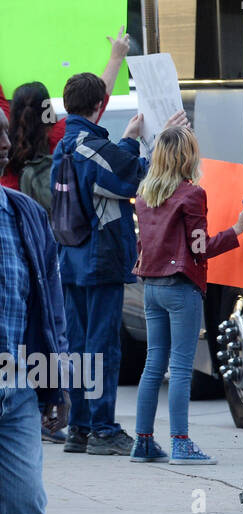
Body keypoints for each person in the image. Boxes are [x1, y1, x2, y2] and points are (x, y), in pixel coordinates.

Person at [50, 71, 186, 457]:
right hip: (98, 257)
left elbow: (109, 168)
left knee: (77, 345)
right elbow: (132, 177)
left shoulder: (66, 143)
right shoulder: (88, 146)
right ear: (99, 106)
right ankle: (103, 429)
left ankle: (79, 427)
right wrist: (161, 140)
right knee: (101, 347)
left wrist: (127, 138)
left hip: (71, 259)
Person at [131, 126, 243, 465]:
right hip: (180, 287)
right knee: (182, 367)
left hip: (151, 287)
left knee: (153, 364)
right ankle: (181, 444)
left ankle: (142, 443)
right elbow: (200, 249)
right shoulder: (191, 194)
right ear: (187, 156)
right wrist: (237, 229)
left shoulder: (145, 193)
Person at [0, 107, 70, 514]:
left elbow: (51, 311)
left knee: (26, 508)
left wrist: (56, 385)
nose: (6, 144)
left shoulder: (24, 213)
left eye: (6, 134)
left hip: (16, 387)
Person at [0, 26, 129, 191]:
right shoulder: (65, 134)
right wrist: (116, 58)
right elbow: (96, 99)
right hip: (55, 215)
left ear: (12, 109)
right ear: (47, 107)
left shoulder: (4, 141)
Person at [6, 82, 56, 214]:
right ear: (48, 109)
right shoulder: (62, 135)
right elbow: (89, 107)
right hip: (51, 225)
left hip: (13, 220)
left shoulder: (4, 144)